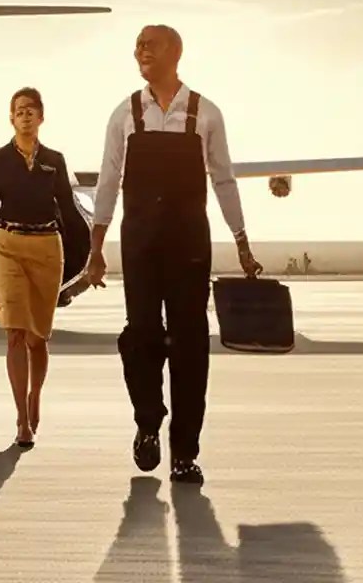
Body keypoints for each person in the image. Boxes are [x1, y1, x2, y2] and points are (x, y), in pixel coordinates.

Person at [86, 24, 262, 484]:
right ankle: (148, 421)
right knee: (139, 337)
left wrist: (241, 241)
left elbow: (224, 179)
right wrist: (95, 247)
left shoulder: (205, 114)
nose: (141, 49)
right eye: (138, 43)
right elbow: (108, 180)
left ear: (175, 53)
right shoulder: (125, 114)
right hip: (140, 244)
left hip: (188, 247)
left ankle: (184, 451)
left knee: (190, 347)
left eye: (151, 43)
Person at [0, 87, 87, 449]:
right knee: (15, 332)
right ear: (11, 118)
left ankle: (35, 396)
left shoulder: (55, 160)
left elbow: (68, 207)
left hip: (47, 245)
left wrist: (91, 257)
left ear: (42, 116)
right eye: (19, 110)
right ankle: (21, 417)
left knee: (38, 337)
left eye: (32, 110)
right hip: (7, 244)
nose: (26, 115)